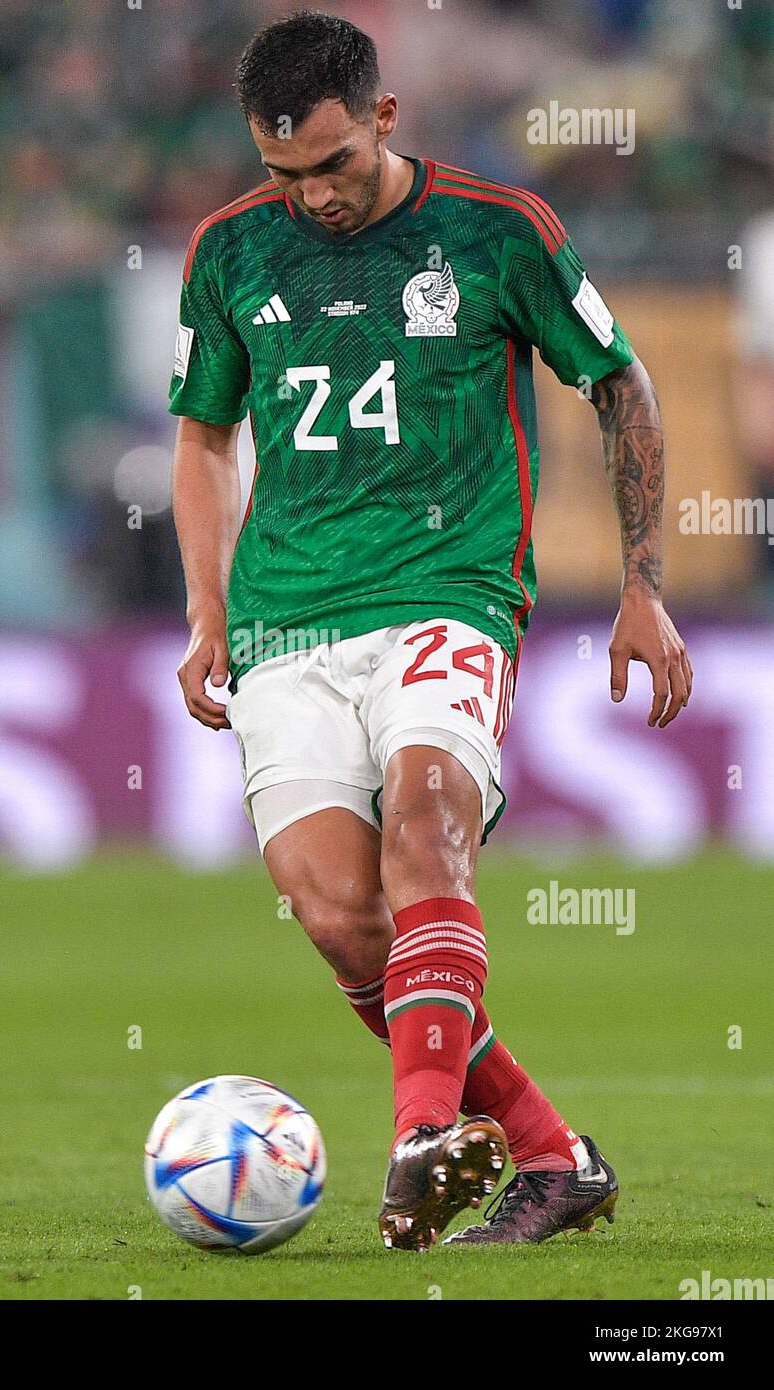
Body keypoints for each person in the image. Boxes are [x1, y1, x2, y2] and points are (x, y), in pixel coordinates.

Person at [169, 10, 691, 1251]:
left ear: (385, 119)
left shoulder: (497, 230)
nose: (313, 197)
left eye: (335, 165)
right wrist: (207, 609)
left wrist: (642, 580)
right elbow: (200, 436)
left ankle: (416, 1143)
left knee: (425, 827)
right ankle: (557, 1157)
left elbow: (621, 381)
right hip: (285, 616)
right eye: (284, 173)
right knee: (342, 919)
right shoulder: (231, 251)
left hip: (448, 594)